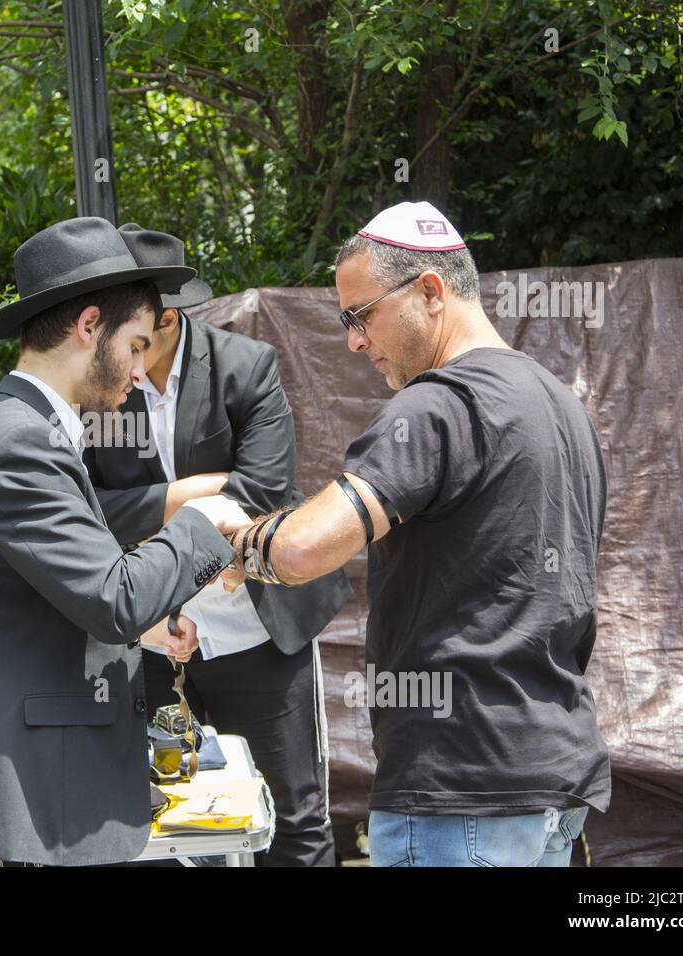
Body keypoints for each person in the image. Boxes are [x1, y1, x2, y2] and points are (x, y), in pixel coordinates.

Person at [222, 201, 610, 867]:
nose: (354, 341)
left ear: (429, 291)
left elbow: (302, 549)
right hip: (551, 777)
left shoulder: (438, 405)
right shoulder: (559, 403)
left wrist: (231, 541)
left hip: (458, 791)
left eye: (360, 315)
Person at [0, 217, 249, 866]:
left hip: (46, 791)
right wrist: (207, 518)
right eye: (137, 345)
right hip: (34, 797)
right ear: (89, 327)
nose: (142, 372)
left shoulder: (26, 431)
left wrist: (143, 631)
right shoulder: (21, 443)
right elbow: (113, 599)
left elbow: (32, 602)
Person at [84, 222, 352, 866]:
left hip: (257, 629)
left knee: (291, 812)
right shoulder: (94, 391)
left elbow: (261, 494)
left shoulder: (245, 365)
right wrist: (196, 491)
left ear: (163, 320)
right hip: (149, 630)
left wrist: (173, 512)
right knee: (159, 813)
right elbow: (87, 511)